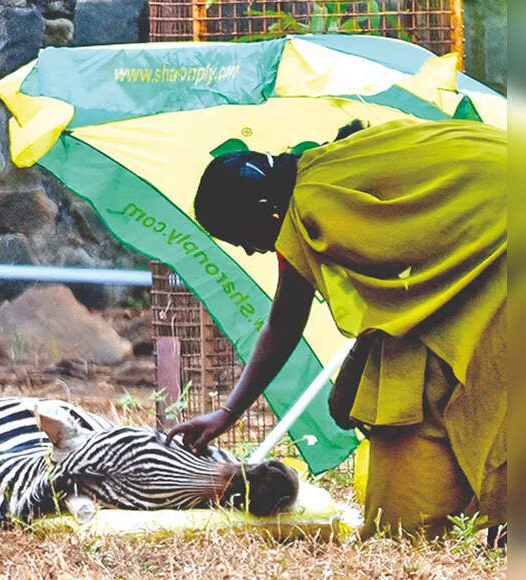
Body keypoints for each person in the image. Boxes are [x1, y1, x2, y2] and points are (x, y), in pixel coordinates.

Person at [168, 118, 506, 539]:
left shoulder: (312, 208)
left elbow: (288, 318)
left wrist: (230, 411)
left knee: (487, 379)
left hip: (504, 236)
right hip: (493, 209)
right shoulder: (325, 168)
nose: (254, 249)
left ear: (263, 210)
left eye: (243, 237)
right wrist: (228, 412)